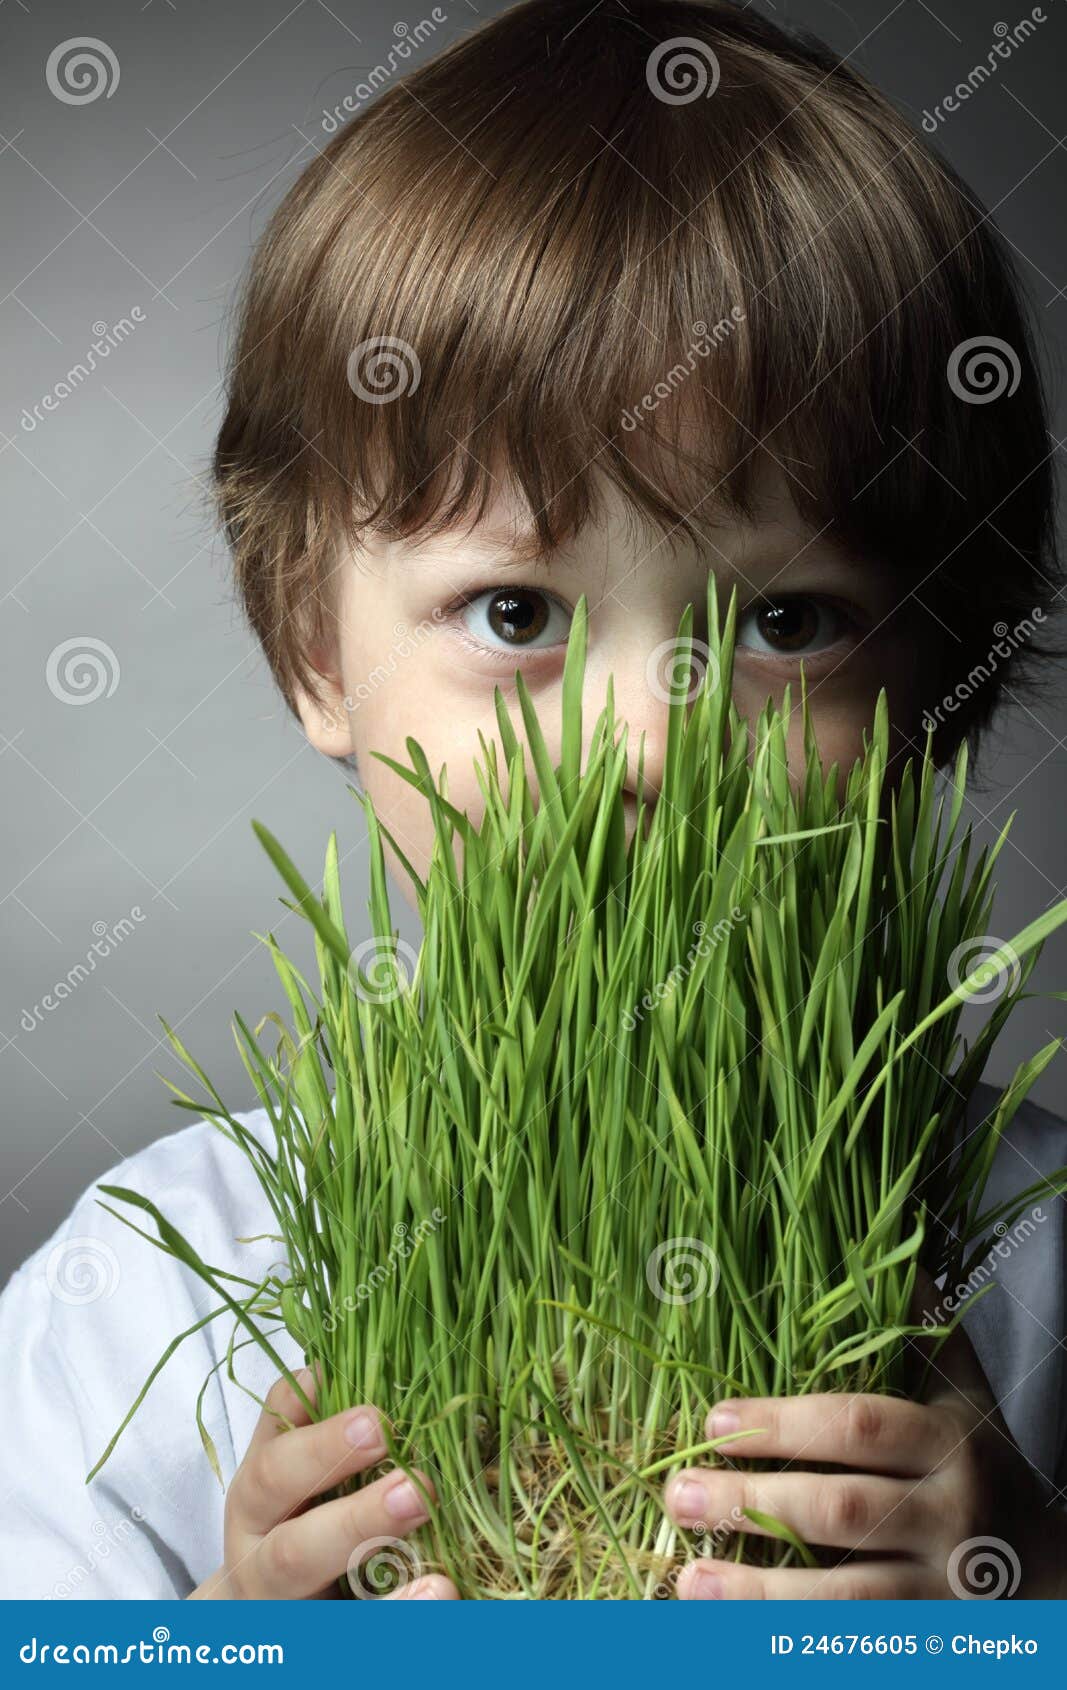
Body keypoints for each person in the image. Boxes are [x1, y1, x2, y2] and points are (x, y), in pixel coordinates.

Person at [3, 0, 1065, 1599]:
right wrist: (236, 1643)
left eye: (785, 622)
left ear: (944, 688)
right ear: (315, 652)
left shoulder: (1041, 1257)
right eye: (519, 614)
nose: (646, 740)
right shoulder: (141, 1290)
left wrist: (1031, 1597)